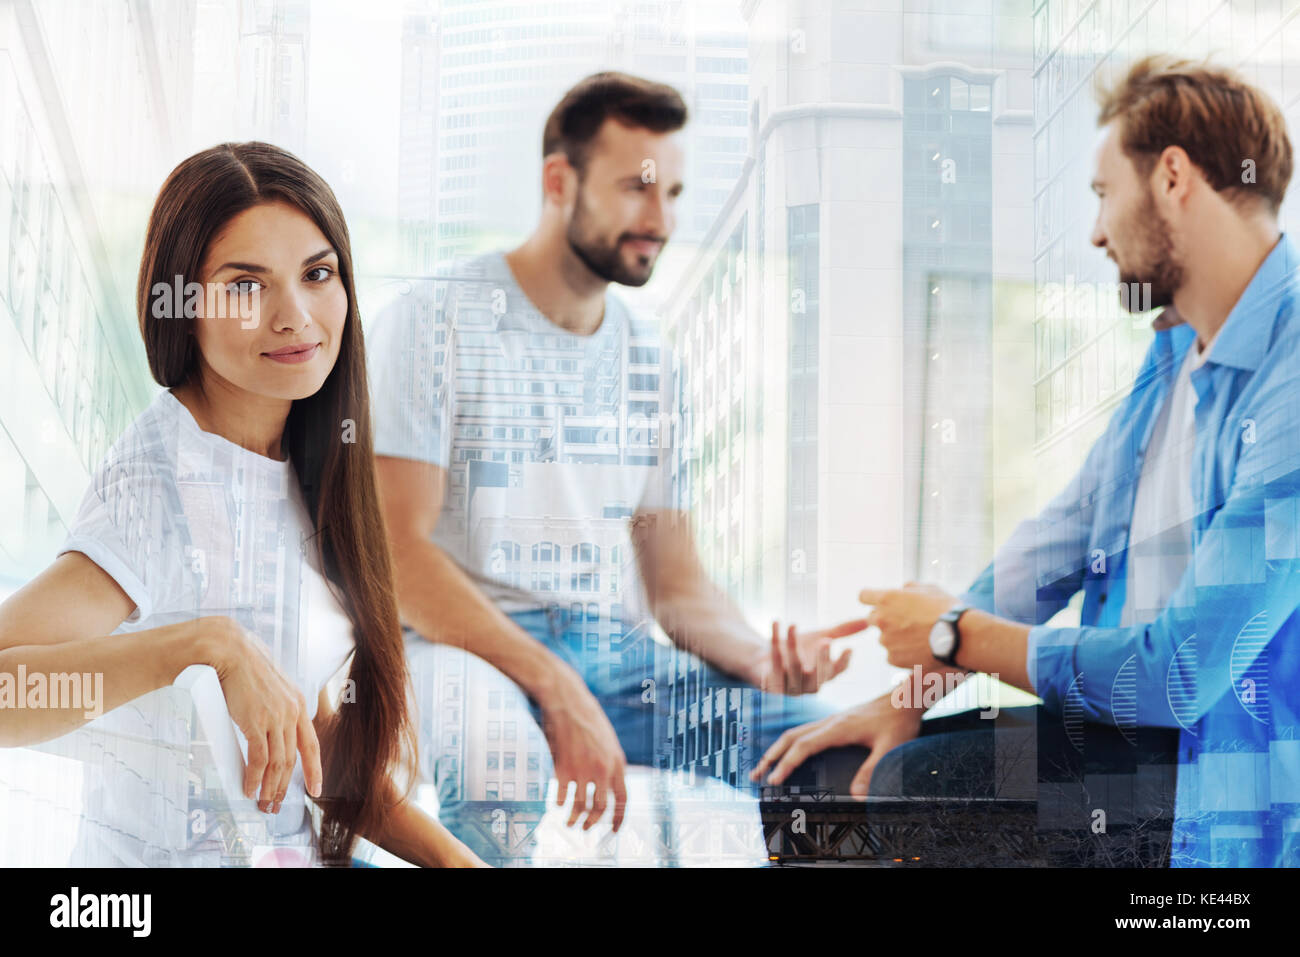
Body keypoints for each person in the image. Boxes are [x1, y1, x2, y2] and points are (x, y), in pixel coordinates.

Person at [754, 55, 1300, 868]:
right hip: (1126, 748)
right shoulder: (1177, 351)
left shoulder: (1288, 375)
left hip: (1214, 783)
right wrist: (910, 693)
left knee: (921, 788)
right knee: (820, 782)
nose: (1095, 230)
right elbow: (1067, 536)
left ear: (1174, 177)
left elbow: (1182, 672)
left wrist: (955, 637)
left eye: (1104, 193)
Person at [370, 72, 866, 862]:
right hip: (453, 645)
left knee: (839, 752)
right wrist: (554, 684)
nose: (660, 218)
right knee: (502, 769)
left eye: (672, 192)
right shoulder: (437, 319)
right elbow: (396, 555)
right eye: (638, 188)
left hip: (610, 649)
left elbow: (675, 587)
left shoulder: (649, 358)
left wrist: (762, 656)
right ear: (559, 182)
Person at [0, 142, 483, 867]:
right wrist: (205, 645)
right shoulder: (159, 480)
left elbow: (311, 745)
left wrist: (459, 862)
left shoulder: (310, 462)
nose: (296, 316)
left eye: (317, 274)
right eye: (245, 286)